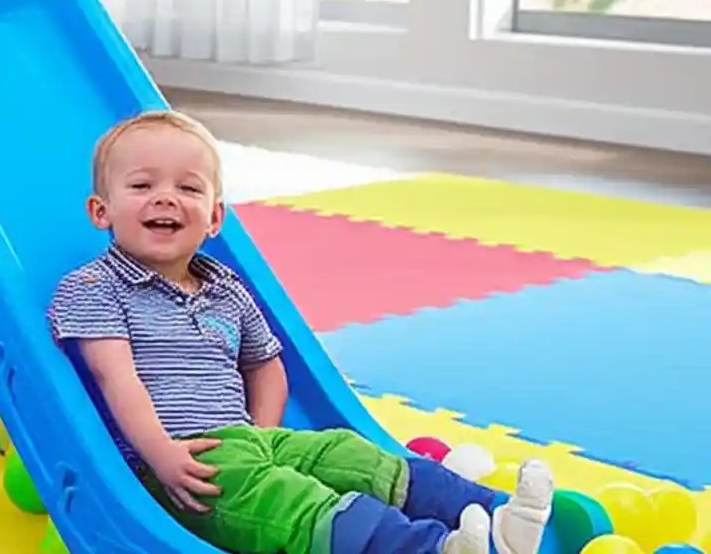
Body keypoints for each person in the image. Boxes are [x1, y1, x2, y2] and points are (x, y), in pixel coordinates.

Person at [45, 110, 554, 554]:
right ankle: (430, 549)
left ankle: (500, 517)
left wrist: (263, 434)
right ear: (101, 211)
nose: (166, 199)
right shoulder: (96, 287)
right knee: (290, 502)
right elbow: (117, 377)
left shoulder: (226, 288)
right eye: (142, 186)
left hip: (251, 440)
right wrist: (161, 453)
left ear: (215, 217)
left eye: (189, 187)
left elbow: (265, 364)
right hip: (181, 462)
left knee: (348, 453)